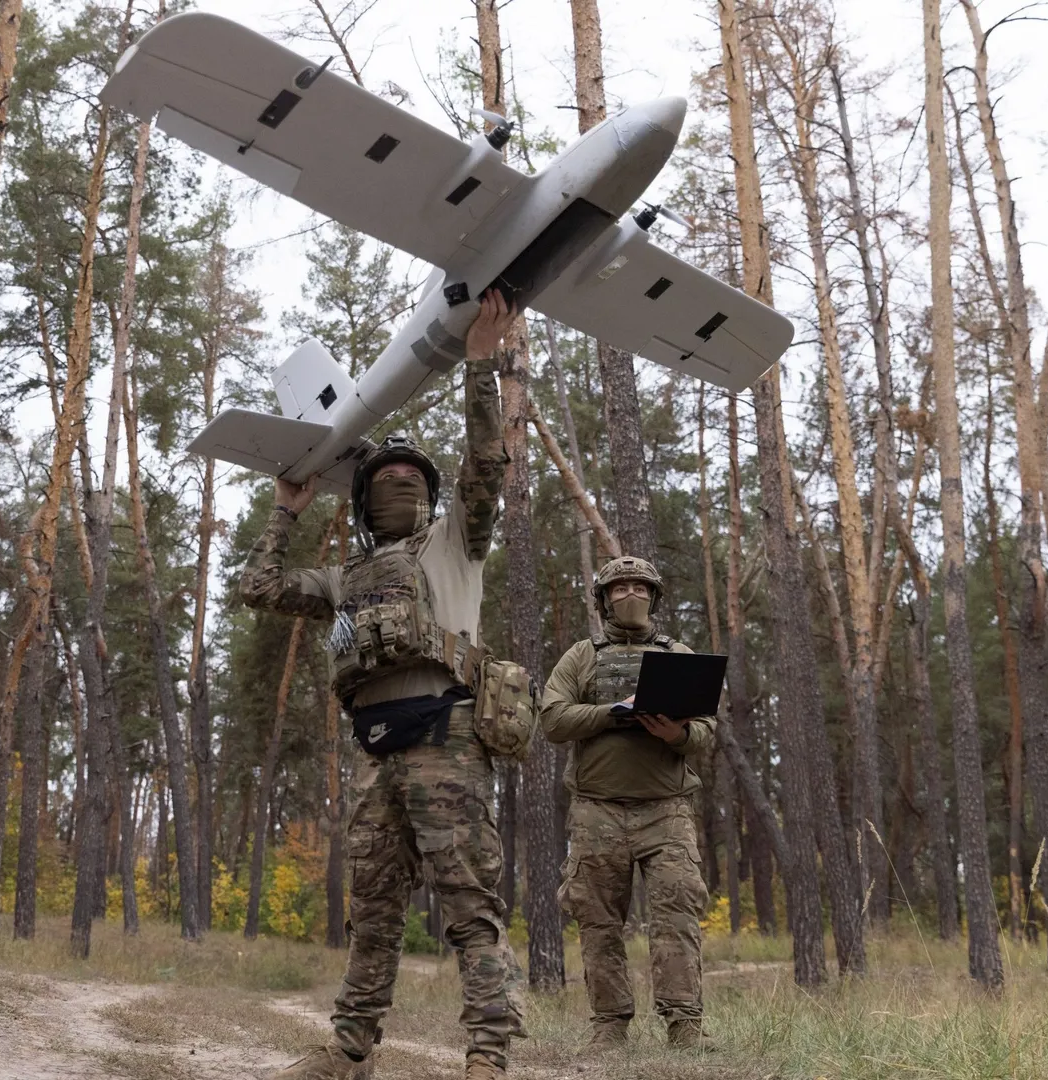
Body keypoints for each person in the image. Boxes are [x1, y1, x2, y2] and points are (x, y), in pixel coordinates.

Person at [242, 290, 529, 1080]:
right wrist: (285, 509)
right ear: (364, 498)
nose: (397, 481)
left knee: (470, 907)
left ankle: (488, 1054)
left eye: (411, 475)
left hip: (446, 739)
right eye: (384, 474)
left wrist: (479, 363)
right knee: (372, 914)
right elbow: (259, 587)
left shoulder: (457, 542)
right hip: (374, 756)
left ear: (431, 495)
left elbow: (484, 463)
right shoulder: (344, 575)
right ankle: (350, 1048)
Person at [540, 556, 716, 1051]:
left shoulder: (677, 653)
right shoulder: (581, 656)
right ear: (603, 599)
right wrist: (612, 714)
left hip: (668, 810)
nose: (630, 594)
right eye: (619, 588)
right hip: (597, 811)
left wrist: (678, 732)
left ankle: (684, 1025)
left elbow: (706, 731)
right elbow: (552, 719)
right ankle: (610, 1026)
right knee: (598, 921)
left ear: (655, 597)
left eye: (640, 586)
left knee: (677, 916)